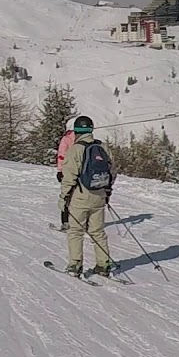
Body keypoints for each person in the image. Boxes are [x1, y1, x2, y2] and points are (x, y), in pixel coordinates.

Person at [60, 115, 116, 276]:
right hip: (99, 196)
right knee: (98, 231)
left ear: (76, 131)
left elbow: (68, 178)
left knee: (76, 231)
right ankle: (103, 264)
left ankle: (75, 265)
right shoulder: (103, 147)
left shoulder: (75, 150)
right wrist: (107, 191)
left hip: (80, 197)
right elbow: (112, 172)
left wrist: (63, 199)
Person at [53, 117, 78, 231]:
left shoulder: (66, 139)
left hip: (68, 172)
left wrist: (60, 170)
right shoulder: (82, 139)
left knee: (66, 196)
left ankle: (65, 222)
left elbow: (61, 155)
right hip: (81, 172)